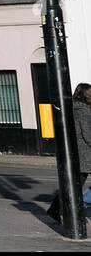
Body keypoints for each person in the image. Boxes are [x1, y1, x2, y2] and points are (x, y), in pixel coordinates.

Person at [47, 82, 91, 225]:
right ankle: (67, 210)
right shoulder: (84, 112)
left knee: (73, 185)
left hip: (78, 153)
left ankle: (58, 209)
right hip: (85, 155)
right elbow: (88, 135)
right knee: (75, 186)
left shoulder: (72, 108)